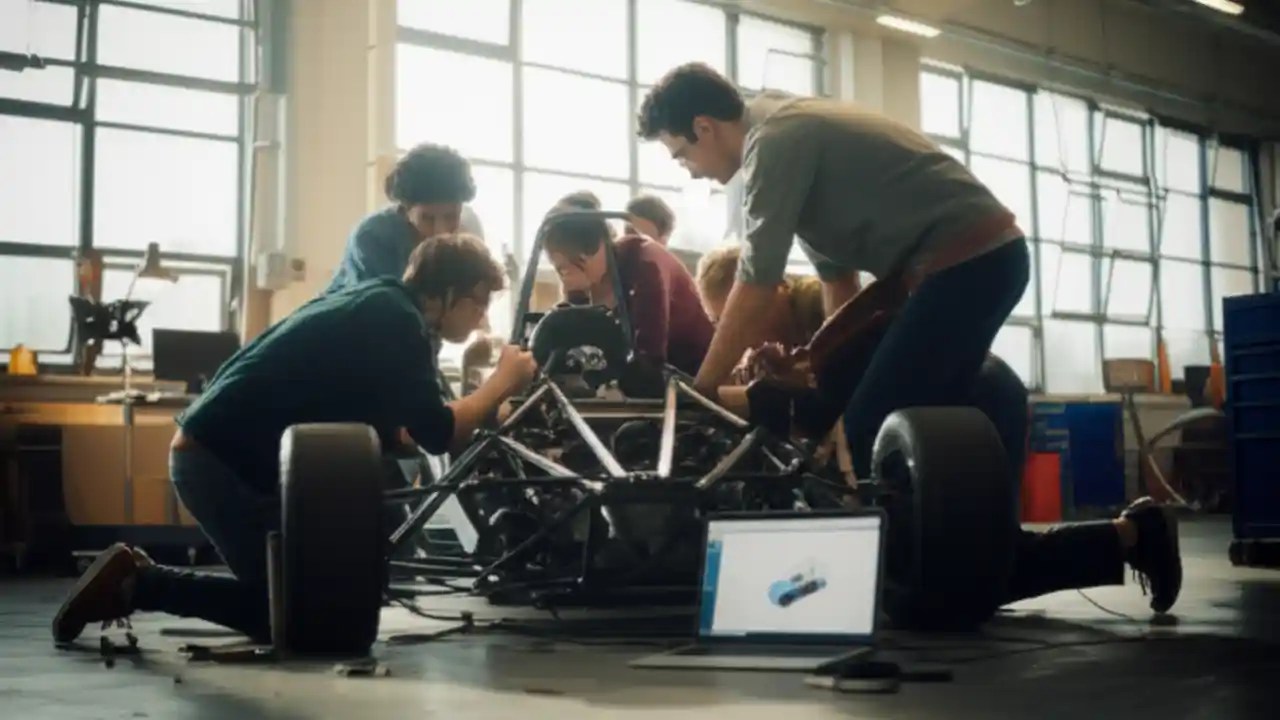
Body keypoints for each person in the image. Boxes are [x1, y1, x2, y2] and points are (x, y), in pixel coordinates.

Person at [637, 62, 1182, 614]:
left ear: (704, 127)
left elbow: (753, 283)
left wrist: (702, 388)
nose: (689, 171)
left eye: (681, 154)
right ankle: (1127, 537)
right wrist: (826, 370)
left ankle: (894, 574)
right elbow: (838, 282)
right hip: (963, 269)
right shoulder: (784, 126)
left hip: (967, 265)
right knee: (969, 557)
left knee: (873, 431)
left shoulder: (773, 144)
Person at [51, 234, 538, 645]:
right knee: (292, 615)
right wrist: (501, 383)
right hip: (219, 464)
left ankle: (137, 578)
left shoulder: (381, 303)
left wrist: (462, 413)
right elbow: (438, 435)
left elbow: (398, 425)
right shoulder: (397, 322)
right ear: (446, 292)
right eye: (478, 301)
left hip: (215, 454)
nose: (481, 317)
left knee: (322, 606)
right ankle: (139, 584)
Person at [541, 190, 712, 377]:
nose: (569, 276)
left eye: (578, 263)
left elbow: (650, 356)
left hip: (692, 374)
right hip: (643, 377)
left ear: (602, 244)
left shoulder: (645, 262)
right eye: (561, 269)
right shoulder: (589, 278)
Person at [326, 142, 485, 294]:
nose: (441, 231)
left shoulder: (469, 229)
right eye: (428, 218)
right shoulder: (372, 237)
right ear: (404, 210)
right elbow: (386, 309)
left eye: (451, 216)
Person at [696, 244, 825, 347]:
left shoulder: (819, 304)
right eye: (721, 324)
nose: (741, 337)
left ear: (778, 285)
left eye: (745, 317)